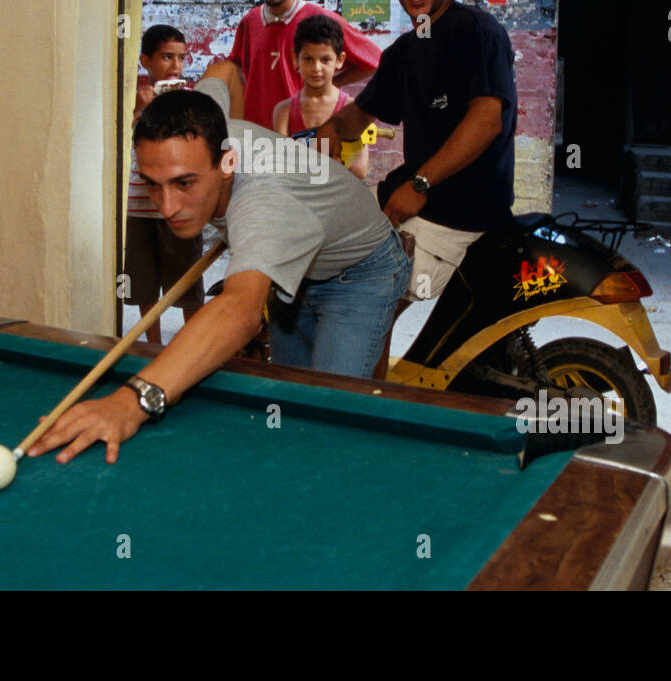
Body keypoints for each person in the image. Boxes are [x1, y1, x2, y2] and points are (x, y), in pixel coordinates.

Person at [28, 60, 411, 465]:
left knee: (326, 418)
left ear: (227, 162)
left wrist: (131, 402)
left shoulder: (263, 204)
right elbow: (224, 69)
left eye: (185, 183)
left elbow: (240, 312)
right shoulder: (202, 121)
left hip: (360, 273)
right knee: (291, 400)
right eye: (153, 185)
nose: (168, 208)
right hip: (297, 269)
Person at [317, 0, 518, 308]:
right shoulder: (403, 52)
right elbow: (360, 113)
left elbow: (486, 120)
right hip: (409, 197)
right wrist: (332, 128)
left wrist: (421, 184)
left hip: (460, 216)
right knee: (314, 238)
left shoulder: (477, 32)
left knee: (356, 300)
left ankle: (358, 346)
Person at [227, 0, 380, 129]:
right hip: (255, 131)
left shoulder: (320, 18)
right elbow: (236, 65)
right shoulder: (249, 22)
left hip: (302, 131)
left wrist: (331, 83)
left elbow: (375, 61)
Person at [124, 24, 204, 344]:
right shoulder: (134, 99)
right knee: (145, 286)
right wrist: (139, 110)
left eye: (181, 58)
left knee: (188, 285)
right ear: (146, 61)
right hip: (140, 205)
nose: (176, 65)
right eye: (167, 57)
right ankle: (153, 347)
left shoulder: (191, 101)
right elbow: (128, 143)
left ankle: (192, 348)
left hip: (180, 205)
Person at [272, 14, 368, 179]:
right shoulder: (284, 111)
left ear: (340, 60)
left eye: (325, 60)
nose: (316, 68)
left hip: (339, 194)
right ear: (295, 59)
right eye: (308, 59)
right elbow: (282, 168)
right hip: (299, 194)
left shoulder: (352, 109)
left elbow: (360, 170)